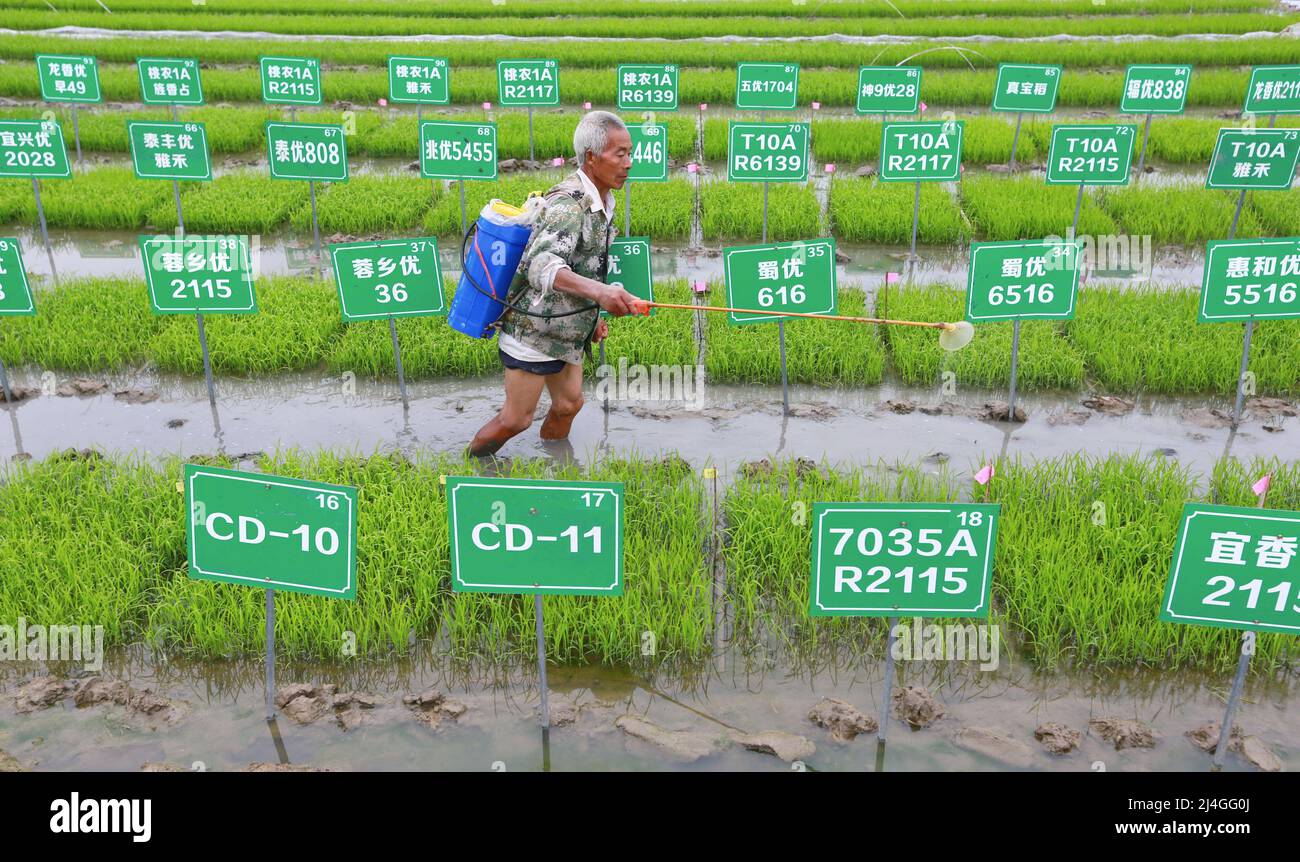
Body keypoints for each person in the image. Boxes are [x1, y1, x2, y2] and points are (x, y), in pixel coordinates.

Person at [467, 111, 642, 457]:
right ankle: (466, 467)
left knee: (568, 404)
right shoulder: (568, 206)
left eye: (630, 153)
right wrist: (602, 293)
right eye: (620, 154)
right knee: (516, 420)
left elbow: (587, 265)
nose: (629, 163)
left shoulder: (603, 200)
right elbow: (541, 265)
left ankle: (557, 465)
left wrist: (594, 315)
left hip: (565, 330)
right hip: (534, 330)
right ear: (592, 158)